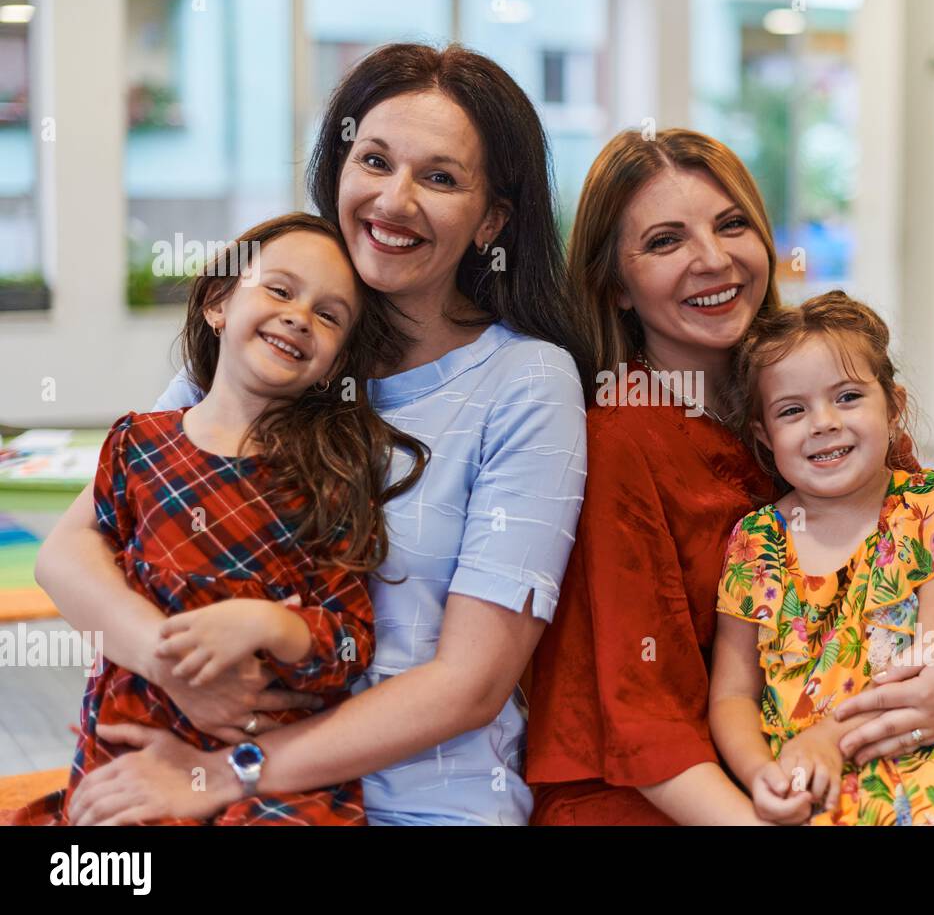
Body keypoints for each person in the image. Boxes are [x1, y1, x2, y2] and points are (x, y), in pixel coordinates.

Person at [34, 44, 587, 826]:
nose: (394, 200)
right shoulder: (275, 344)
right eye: (374, 160)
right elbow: (69, 552)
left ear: (491, 218)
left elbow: (471, 685)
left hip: (419, 804)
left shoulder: (528, 383)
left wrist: (225, 772)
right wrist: (171, 660)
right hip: (188, 769)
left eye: (439, 177)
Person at [526, 128, 934, 825]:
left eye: (732, 226)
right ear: (617, 287)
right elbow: (640, 719)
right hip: (664, 789)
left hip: (842, 758)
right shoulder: (618, 443)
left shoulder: (820, 385)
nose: (713, 259)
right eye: (666, 241)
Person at [13, 213, 428, 825]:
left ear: (339, 362)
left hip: (267, 773)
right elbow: (77, 579)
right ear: (218, 303)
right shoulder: (135, 446)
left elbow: (348, 644)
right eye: (280, 290)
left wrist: (264, 623)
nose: (298, 316)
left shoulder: (332, 479)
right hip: (132, 748)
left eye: (329, 315)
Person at [710, 290, 934, 825]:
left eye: (847, 397)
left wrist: (829, 738)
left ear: (893, 406)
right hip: (811, 784)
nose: (823, 422)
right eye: (792, 410)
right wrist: (759, 776)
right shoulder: (755, 544)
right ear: (764, 435)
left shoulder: (930, 510)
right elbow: (731, 694)